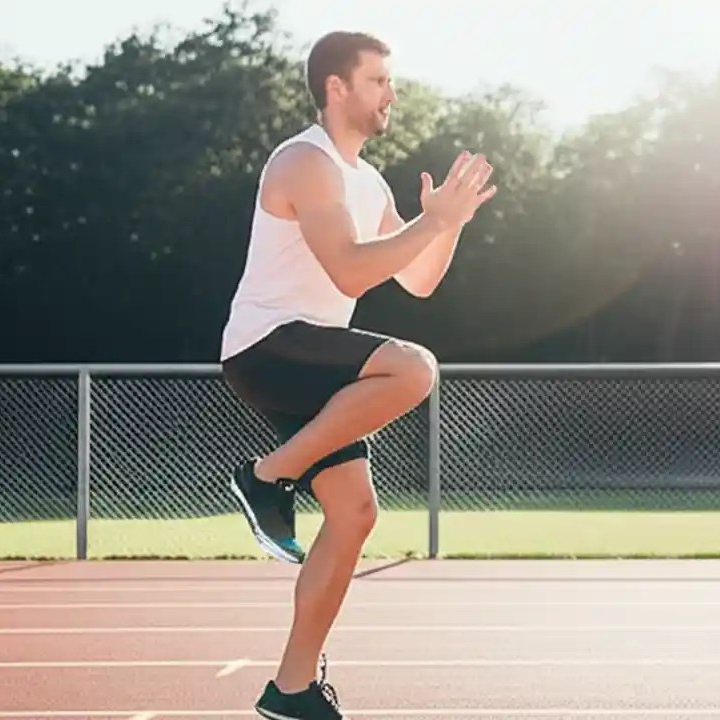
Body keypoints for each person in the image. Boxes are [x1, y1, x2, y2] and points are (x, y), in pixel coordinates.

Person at [217, 30, 497, 720]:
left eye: (390, 81)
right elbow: (348, 270)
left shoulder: (367, 182)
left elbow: (419, 279)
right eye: (378, 80)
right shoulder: (303, 162)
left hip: (311, 358)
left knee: (354, 514)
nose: (391, 94)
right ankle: (263, 478)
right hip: (268, 345)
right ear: (336, 88)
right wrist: (430, 222)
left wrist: (448, 224)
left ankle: (290, 689)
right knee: (414, 369)